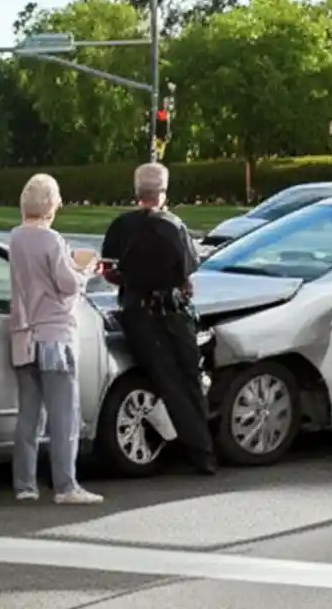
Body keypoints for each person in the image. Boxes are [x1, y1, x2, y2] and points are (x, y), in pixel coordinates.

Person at [101, 162, 217, 475]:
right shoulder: (175, 226)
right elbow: (188, 273)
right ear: (163, 192)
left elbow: (110, 271)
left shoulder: (120, 227)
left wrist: (130, 279)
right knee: (189, 377)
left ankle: (196, 449)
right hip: (174, 312)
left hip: (138, 311)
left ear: (137, 192)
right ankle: (204, 447)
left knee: (166, 379)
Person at [9, 173, 104, 505]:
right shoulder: (51, 240)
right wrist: (88, 271)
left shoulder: (16, 237)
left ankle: (25, 484)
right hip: (55, 336)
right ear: (50, 204)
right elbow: (67, 285)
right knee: (64, 414)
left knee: (29, 416)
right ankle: (66, 486)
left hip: (24, 334)